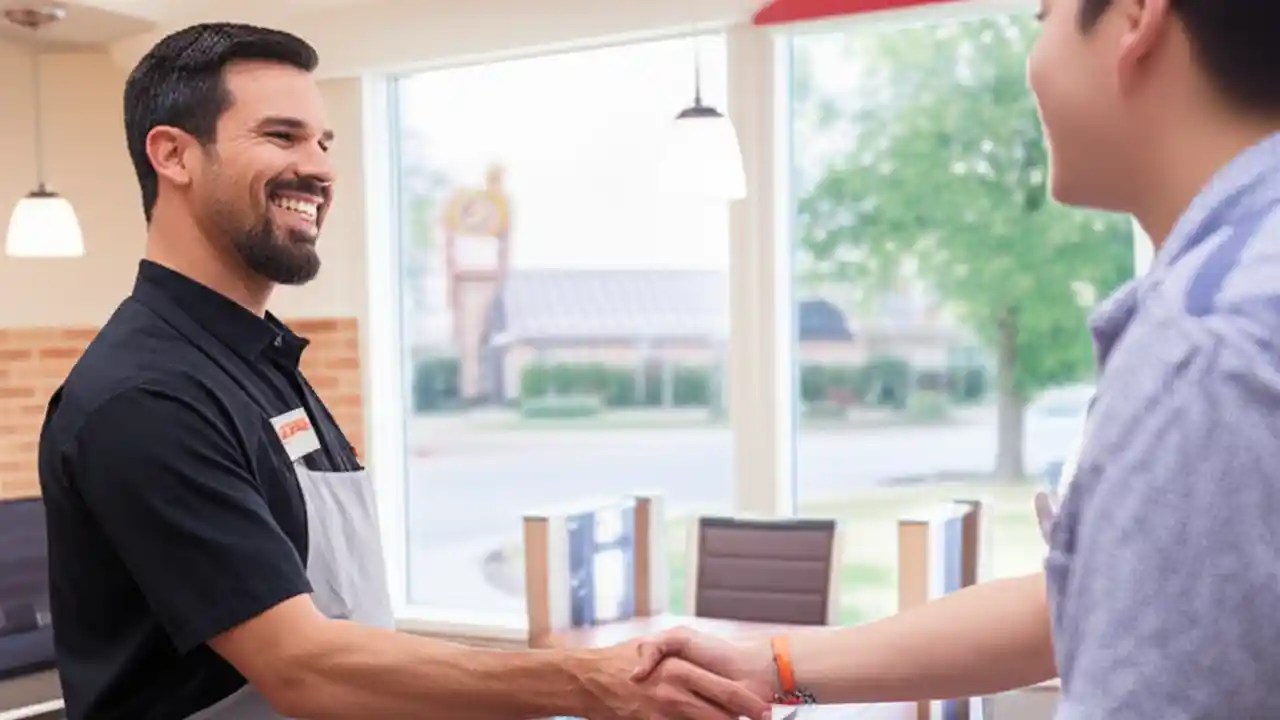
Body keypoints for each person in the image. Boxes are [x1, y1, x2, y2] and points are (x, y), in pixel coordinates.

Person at [35, 22, 769, 720]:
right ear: (174, 155)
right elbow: (305, 665)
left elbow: (353, 628)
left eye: (324, 141)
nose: (320, 167)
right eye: (281, 135)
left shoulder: (260, 363)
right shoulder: (146, 398)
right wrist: (585, 681)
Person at [636, 0, 1280, 717]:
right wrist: (772, 666)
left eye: (1043, 16)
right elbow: (1094, 598)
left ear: (1134, 18)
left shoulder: (1203, 349)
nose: (1032, 61)